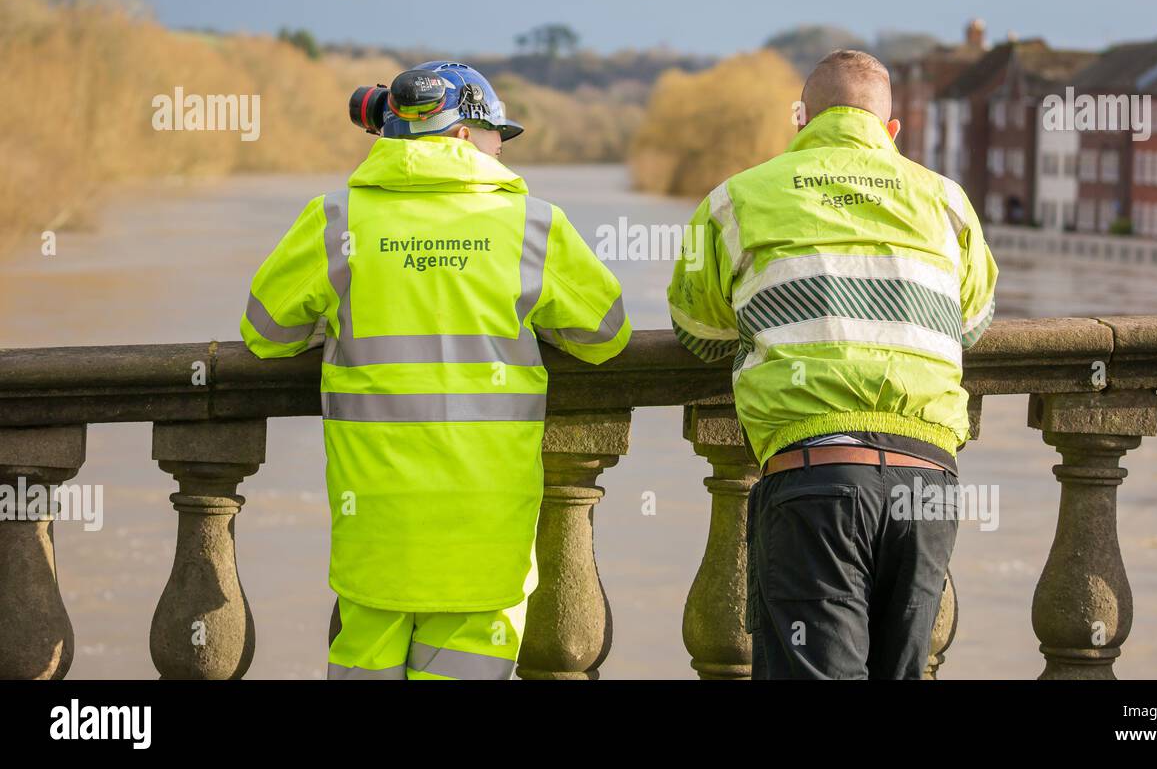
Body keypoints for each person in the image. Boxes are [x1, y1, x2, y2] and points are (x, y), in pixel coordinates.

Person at [241, 61, 631, 679]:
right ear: (460, 136)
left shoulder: (336, 221)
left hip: (373, 538)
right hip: (485, 543)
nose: (501, 148)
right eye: (495, 133)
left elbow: (264, 333)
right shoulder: (532, 225)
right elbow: (606, 336)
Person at [666, 49, 997, 679]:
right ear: (890, 129)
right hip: (927, 480)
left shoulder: (738, 198)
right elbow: (973, 322)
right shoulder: (948, 201)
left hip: (815, 478)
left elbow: (699, 331)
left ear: (802, 119)